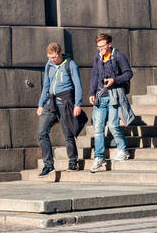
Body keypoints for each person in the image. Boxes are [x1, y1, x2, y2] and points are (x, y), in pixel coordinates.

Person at [88, 32, 133, 173]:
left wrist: (115, 80)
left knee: (113, 125)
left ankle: (123, 149)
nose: (100, 49)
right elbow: (94, 75)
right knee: (98, 128)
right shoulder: (98, 58)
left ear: (109, 44)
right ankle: (99, 157)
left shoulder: (118, 56)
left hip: (114, 96)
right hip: (101, 96)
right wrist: (91, 93)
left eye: (103, 46)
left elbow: (128, 73)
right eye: (98, 47)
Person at [36, 42, 83, 177]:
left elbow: (77, 85)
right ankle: (48, 165)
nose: (52, 60)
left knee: (68, 134)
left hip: (65, 102)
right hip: (51, 102)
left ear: (60, 53)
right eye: (50, 57)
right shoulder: (49, 65)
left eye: (55, 57)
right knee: (41, 133)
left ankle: (73, 162)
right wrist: (40, 104)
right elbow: (46, 85)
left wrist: (77, 104)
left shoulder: (70, 64)